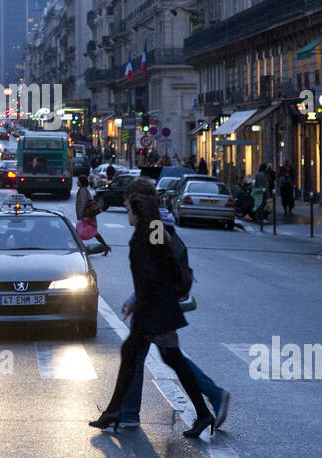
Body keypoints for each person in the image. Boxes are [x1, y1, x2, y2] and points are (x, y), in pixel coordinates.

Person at [89, 179, 216, 439]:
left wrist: (140, 299)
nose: (126, 212)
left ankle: (116, 411)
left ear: (138, 206)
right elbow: (161, 260)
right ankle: (202, 413)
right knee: (168, 358)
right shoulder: (149, 227)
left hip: (155, 308)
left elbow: (161, 262)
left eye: (127, 207)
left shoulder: (154, 228)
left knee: (142, 355)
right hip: (154, 305)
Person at [74, 174, 111, 256]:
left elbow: (83, 203)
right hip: (88, 215)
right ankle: (105, 246)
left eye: (78, 181)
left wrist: (80, 215)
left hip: (86, 215)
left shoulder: (83, 191)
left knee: (78, 231)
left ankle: (79, 249)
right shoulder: (84, 190)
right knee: (93, 232)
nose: (77, 182)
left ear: (81, 182)